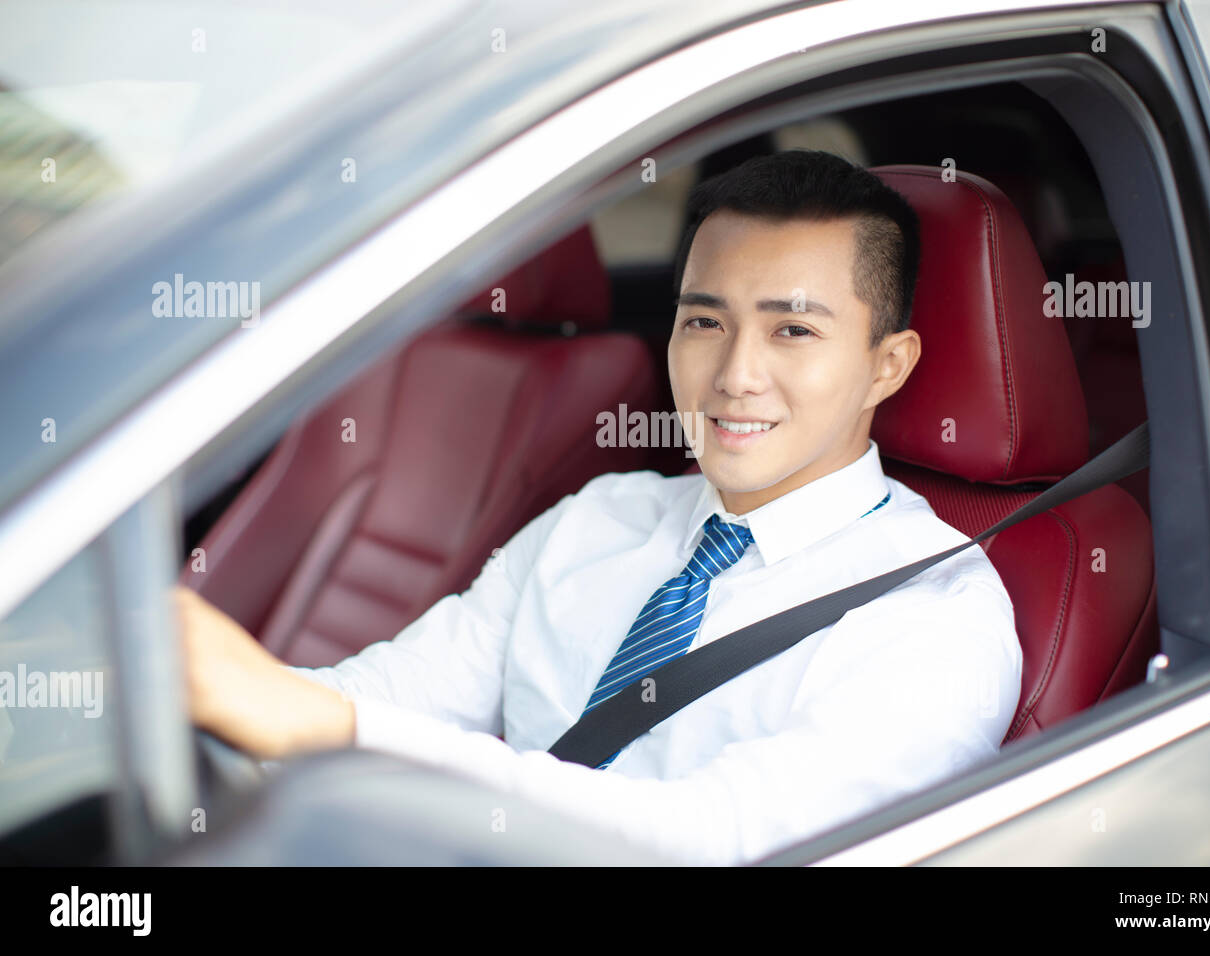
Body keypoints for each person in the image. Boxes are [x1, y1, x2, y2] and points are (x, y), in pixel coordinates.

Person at [176, 149, 1022, 866]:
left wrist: (324, 728)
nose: (734, 375)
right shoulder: (601, 518)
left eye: (792, 331)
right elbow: (393, 694)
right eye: (703, 323)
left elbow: (712, 845)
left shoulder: (936, 616)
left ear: (887, 365)